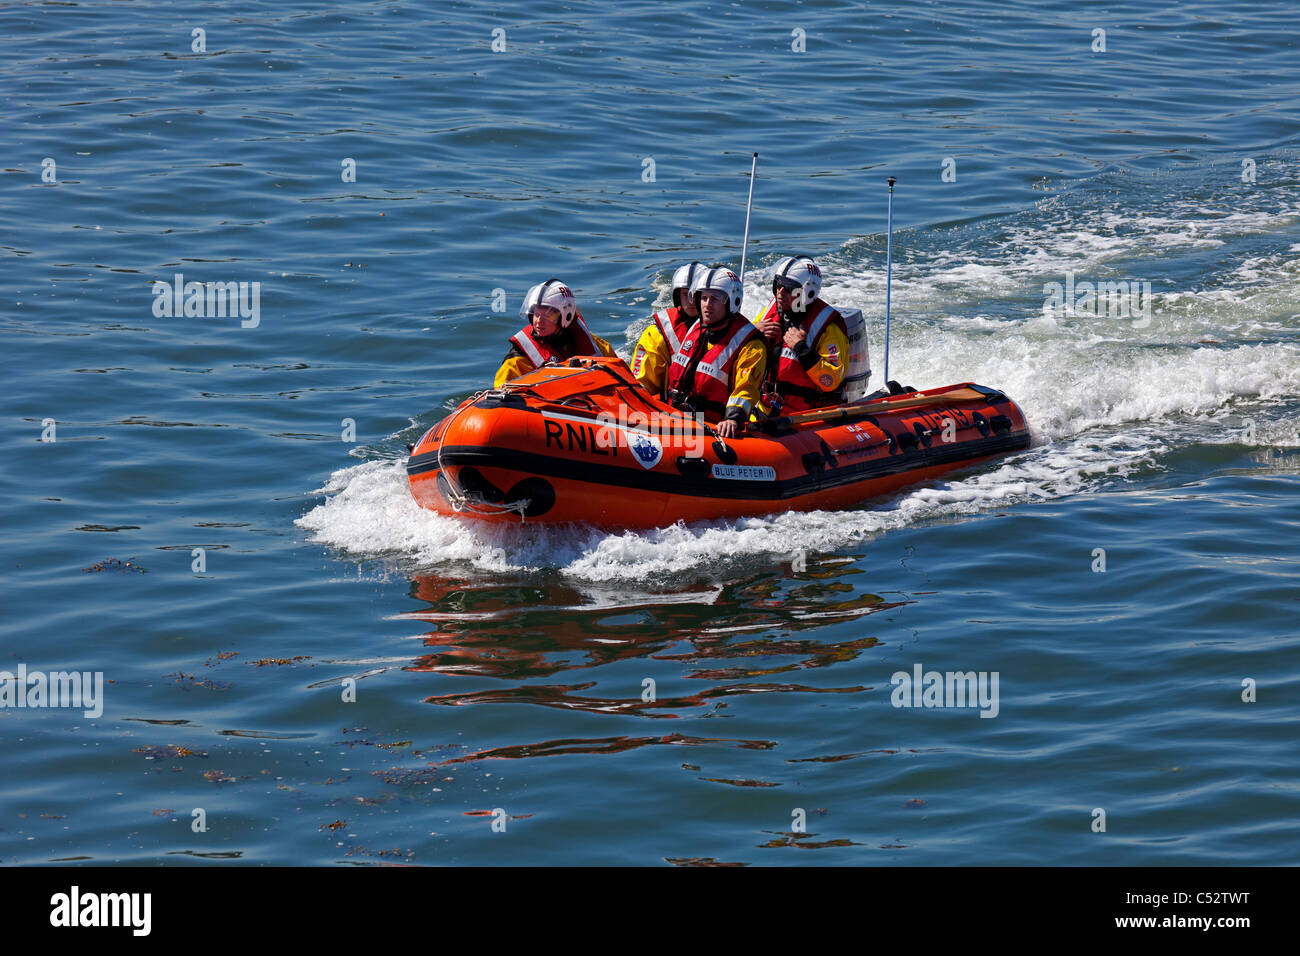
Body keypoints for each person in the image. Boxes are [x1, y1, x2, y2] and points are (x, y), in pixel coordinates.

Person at [664, 267, 766, 439]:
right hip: (677, 417)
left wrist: (733, 419)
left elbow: (746, 389)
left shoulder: (751, 345)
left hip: (714, 426)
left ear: (731, 302)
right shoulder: (698, 328)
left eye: (715, 299)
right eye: (703, 298)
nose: (707, 305)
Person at [751, 255, 850, 415]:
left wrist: (802, 349)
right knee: (700, 434)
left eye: (789, 288)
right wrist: (752, 332)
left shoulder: (828, 328)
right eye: (778, 284)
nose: (780, 292)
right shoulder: (772, 311)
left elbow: (831, 380)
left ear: (807, 293)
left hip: (806, 418)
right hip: (766, 410)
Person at [494, 279, 621, 387]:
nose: (538, 321)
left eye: (548, 315)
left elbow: (621, 376)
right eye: (536, 314)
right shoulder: (517, 362)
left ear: (566, 316)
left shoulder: (595, 345)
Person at [631, 262, 702, 398]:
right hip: (672, 411)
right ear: (677, 297)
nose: (691, 301)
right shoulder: (655, 337)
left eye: (696, 294)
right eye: (686, 294)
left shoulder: (723, 329)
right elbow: (641, 390)